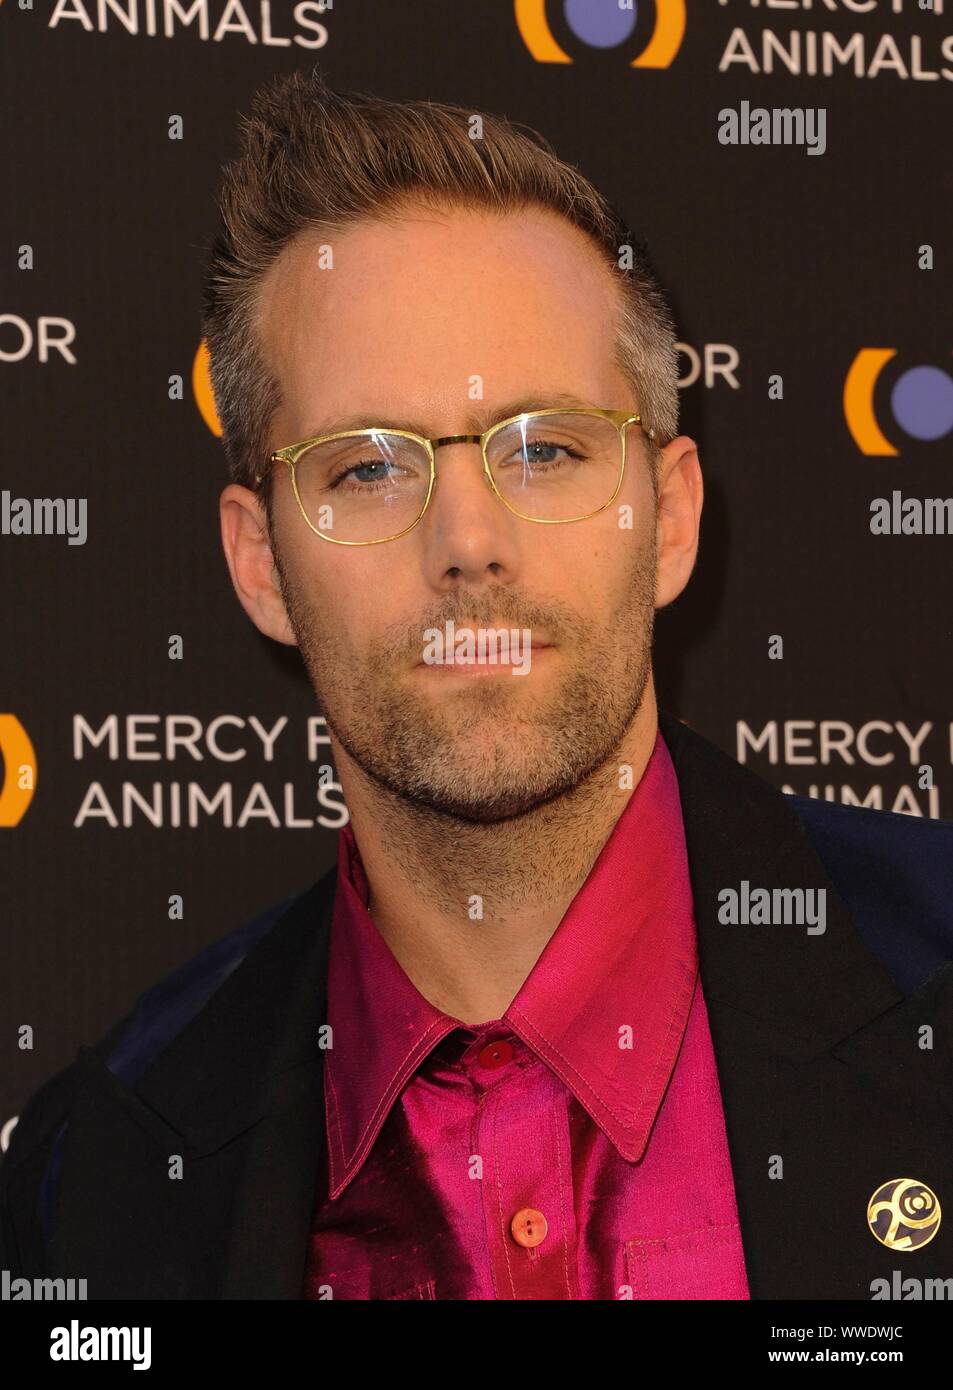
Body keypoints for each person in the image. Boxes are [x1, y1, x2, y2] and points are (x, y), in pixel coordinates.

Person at [3, 67, 952, 1302]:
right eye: (367, 468)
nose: (466, 540)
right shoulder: (102, 1179)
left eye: (544, 447)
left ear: (668, 520)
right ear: (261, 565)